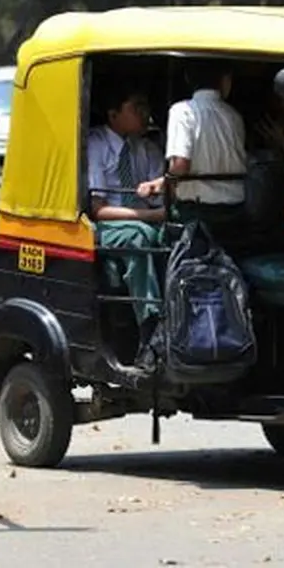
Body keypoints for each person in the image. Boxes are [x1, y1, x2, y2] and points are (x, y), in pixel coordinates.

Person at [86, 83, 167, 368]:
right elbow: (98, 210)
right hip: (110, 225)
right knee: (140, 236)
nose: (145, 114)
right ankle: (150, 330)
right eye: (137, 108)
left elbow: (162, 193)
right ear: (113, 114)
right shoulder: (97, 145)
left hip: (146, 219)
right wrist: (148, 217)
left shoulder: (146, 148)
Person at [141, 58, 250, 257]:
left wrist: (162, 183)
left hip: (198, 213)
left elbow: (180, 164)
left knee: (159, 242)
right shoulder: (234, 115)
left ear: (188, 79)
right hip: (235, 210)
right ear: (225, 81)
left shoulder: (182, 111)